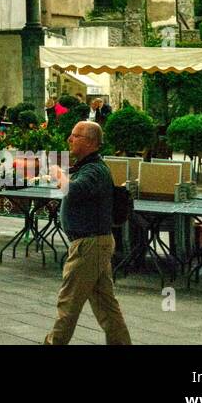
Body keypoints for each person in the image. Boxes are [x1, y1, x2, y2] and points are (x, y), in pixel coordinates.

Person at [44, 121, 131, 345]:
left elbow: (73, 191)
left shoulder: (94, 170)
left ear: (91, 142)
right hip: (95, 243)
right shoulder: (89, 167)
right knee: (106, 306)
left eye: (75, 136)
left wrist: (58, 174)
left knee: (68, 303)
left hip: (89, 246)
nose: (69, 139)